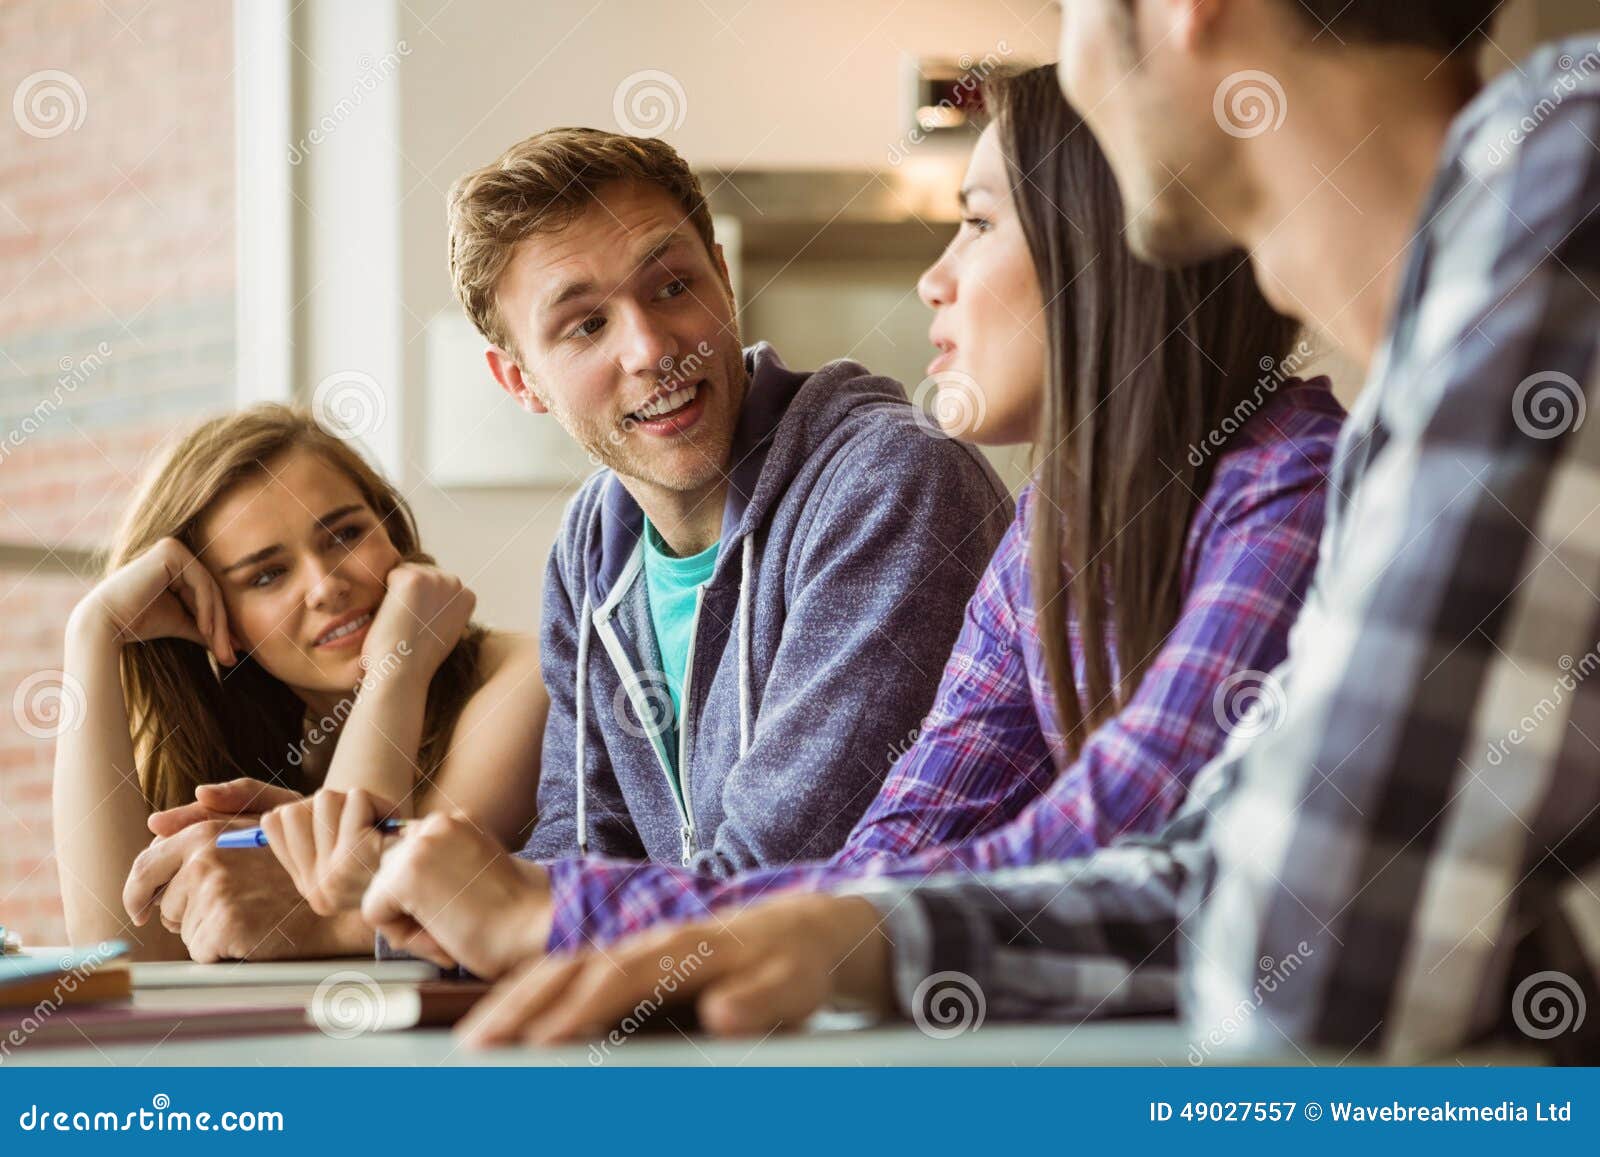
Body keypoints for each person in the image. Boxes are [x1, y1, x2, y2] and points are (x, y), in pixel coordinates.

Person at [458, 2, 1600, 1064]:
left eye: (975, 222)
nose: (931, 279)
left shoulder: (1560, 184)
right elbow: (1197, 874)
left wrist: (597, 910)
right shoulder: (1405, 383)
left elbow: (1314, 960)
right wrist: (850, 935)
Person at [256, 67, 1342, 984]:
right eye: (584, 323)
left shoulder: (1284, 489)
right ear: (518, 377)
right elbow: (897, 854)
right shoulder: (1050, 535)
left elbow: (1114, 842)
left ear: (1103, 241)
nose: (933, 276)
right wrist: (441, 900)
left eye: (972, 224)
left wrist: (494, 915)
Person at [53, 405, 545, 961]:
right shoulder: (245, 732)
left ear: (392, 533)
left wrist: (397, 666)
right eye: (267, 575)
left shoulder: (523, 679)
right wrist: (93, 634)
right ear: (211, 614)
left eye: (345, 535)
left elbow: (362, 909)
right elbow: (123, 952)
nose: (326, 586)